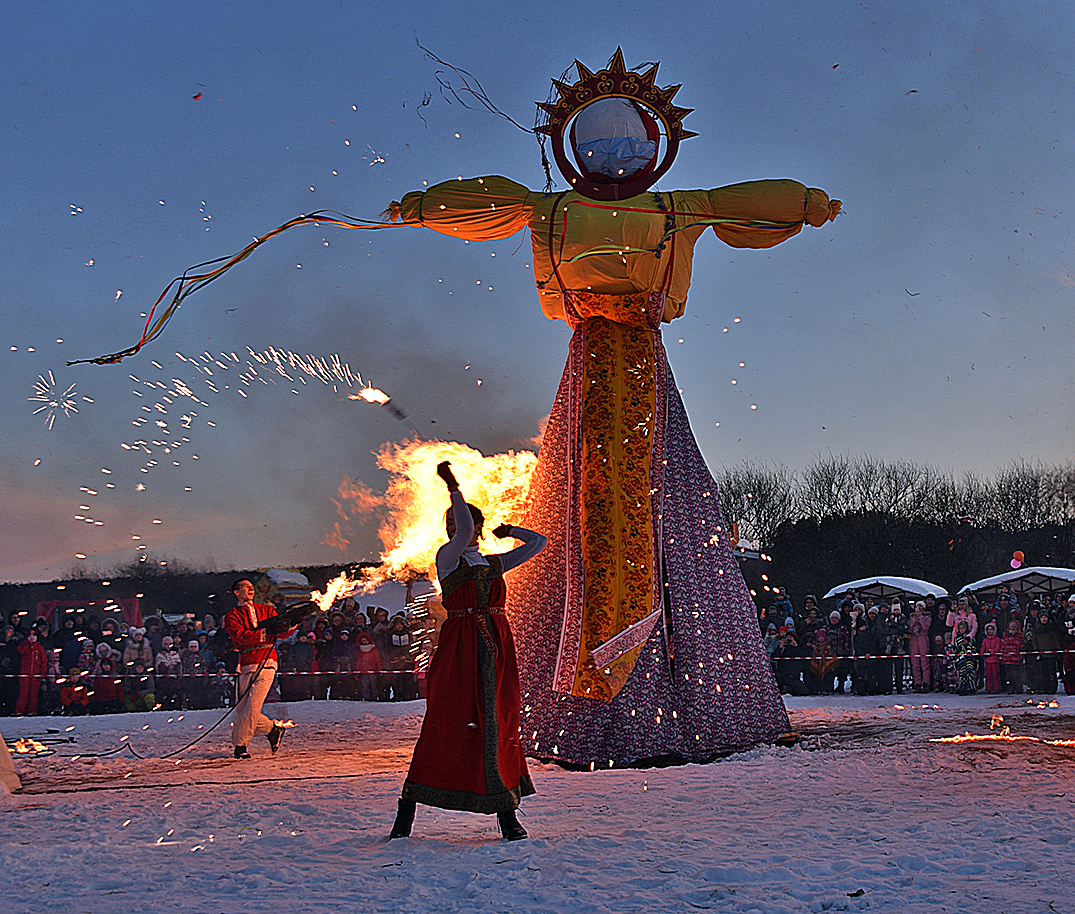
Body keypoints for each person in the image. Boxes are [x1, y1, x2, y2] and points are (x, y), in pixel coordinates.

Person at [388, 51, 836, 766]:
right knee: (596, 504)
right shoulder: (564, 210)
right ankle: (601, 693)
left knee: (642, 506)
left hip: (633, 370)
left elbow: (752, 202)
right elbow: (484, 203)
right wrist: (418, 209)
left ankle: (625, 691)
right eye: (601, 140)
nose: (613, 153)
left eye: (628, 140)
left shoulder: (665, 209)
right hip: (599, 366)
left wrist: (807, 206)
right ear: (574, 145)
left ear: (653, 145)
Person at [390, 461, 547, 841]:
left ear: (479, 528)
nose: (455, 530)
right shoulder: (448, 558)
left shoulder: (495, 562)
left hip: (496, 646)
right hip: (461, 647)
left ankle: (507, 814)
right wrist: (453, 488)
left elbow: (539, 543)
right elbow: (460, 529)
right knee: (452, 724)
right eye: (452, 526)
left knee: (499, 723)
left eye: (464, 525)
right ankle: (407, 809)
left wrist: (510, 531)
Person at [223, 577, 295, 759]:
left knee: (253, 704)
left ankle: (240, 746)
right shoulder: (232, 616)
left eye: (251, 587)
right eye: (246, 587)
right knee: (243, 709)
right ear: (236, 592)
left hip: (268, 661)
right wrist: (264, 632)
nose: (251, 590)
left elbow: (283, 633)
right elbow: (240, 637)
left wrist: (292, 621)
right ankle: (272, 729)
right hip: (246, 662)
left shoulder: (268, 610)